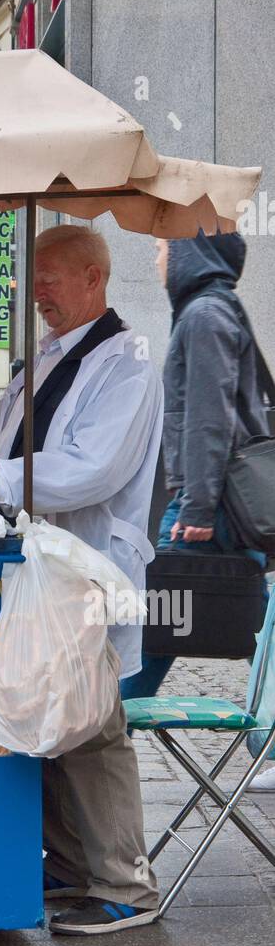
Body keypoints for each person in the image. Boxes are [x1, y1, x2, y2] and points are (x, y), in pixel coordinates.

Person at [0, 225, 163, 935]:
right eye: (32, 281)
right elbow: (32, 441)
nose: (37, 293)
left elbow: (91, 467)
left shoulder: (126, 360)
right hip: (42, 564)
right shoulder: (49, 353)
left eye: (51, 280)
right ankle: (68, 865)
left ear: (95, 277)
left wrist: (1, 473)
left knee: (92, 721)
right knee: (46, 707)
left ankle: (125, 887)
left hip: (85, 563)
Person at [121, 233, 269, 689]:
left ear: (190, 253)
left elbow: (210, 416)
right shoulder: (213, 308)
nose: (158, 255)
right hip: (222, 502)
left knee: (156, 626)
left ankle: (103, 745)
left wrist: (198, 507)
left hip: (210, 505)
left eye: (164, 248)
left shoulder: (205, 314)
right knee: (248, 624)